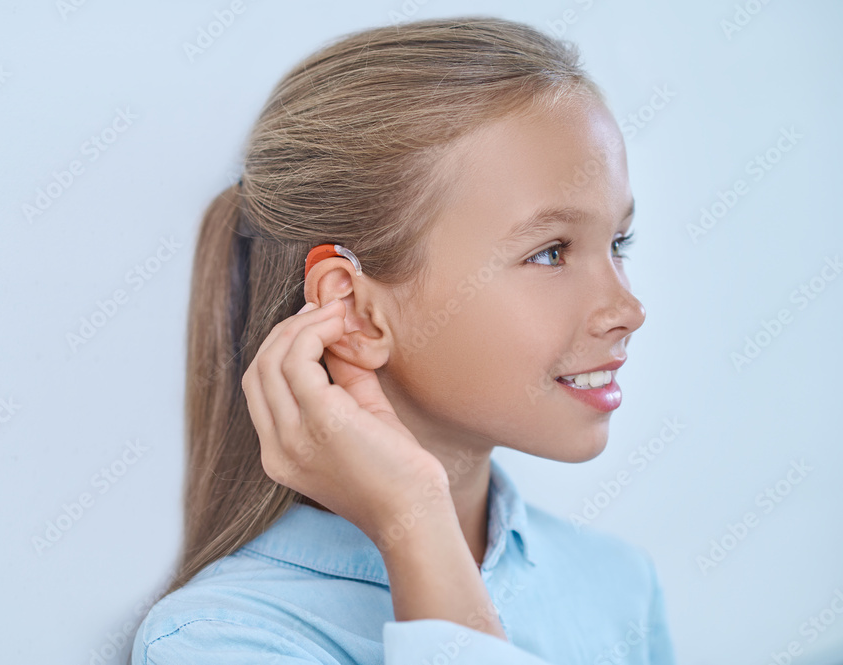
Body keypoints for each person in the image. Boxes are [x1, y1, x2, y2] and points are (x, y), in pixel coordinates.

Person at [131, 15, 677, 664]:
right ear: (353, 309)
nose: (628, 308)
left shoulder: (617, 586)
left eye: (619, 242)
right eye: (551, 252)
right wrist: (412, 519)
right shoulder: (220, 637)